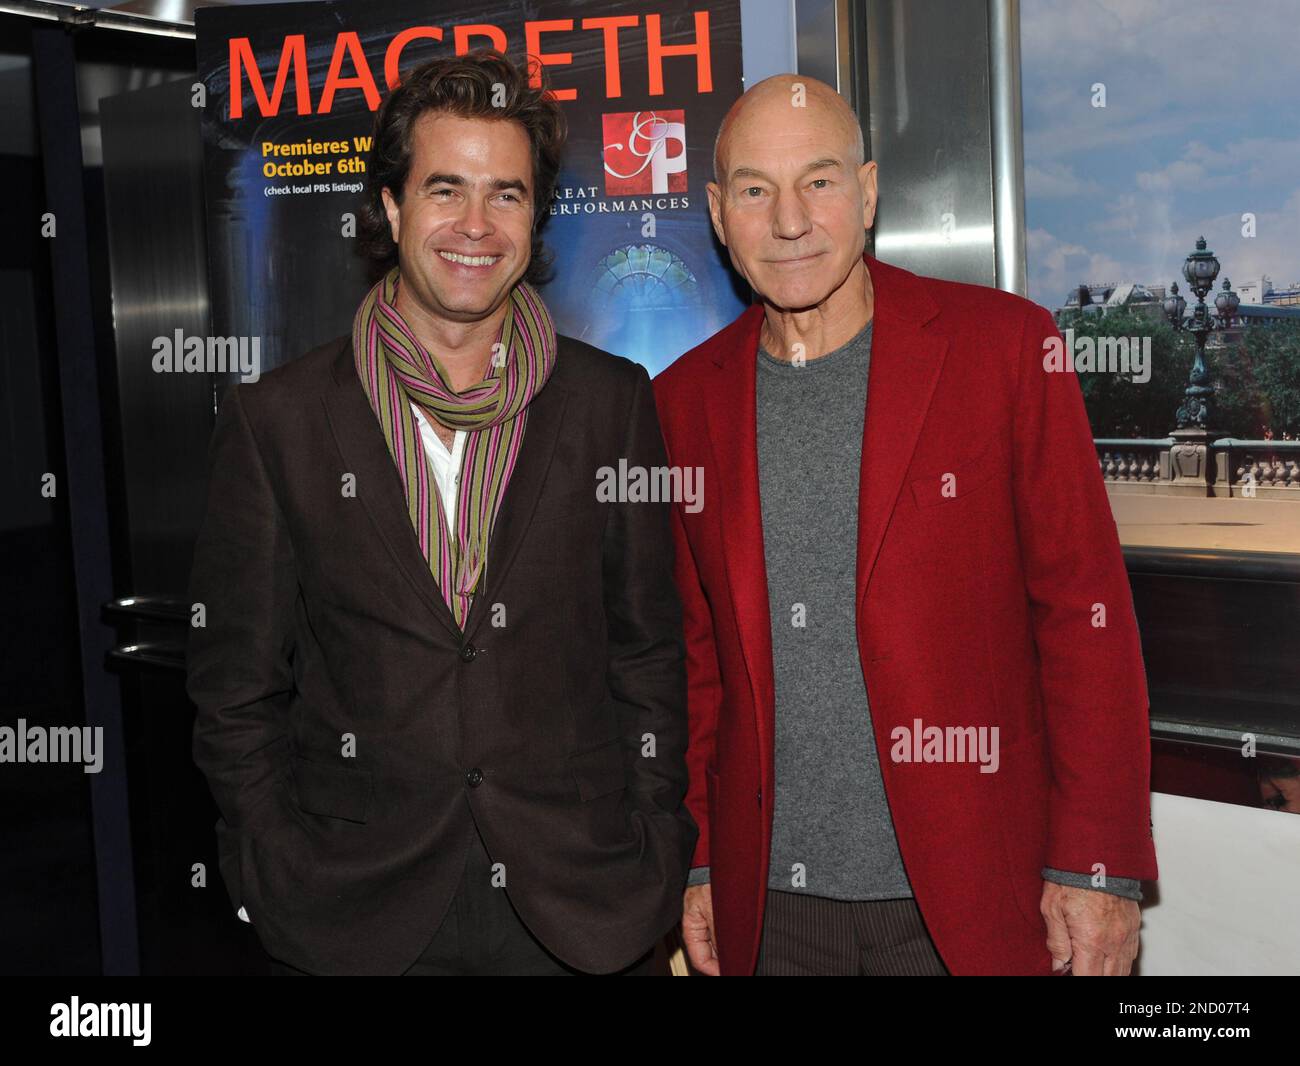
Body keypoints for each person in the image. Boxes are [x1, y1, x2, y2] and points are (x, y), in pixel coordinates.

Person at [186, 50, 695, 976]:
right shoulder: (280, 421)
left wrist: (656, 842)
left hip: (578, 904)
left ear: (536, 215)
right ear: (390, 206)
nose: (475, 225)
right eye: (445, 188)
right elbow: (234, 688)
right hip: (355, 907)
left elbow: (648, 651)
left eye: (506, 194)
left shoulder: (610, 403)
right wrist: (275, 858)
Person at [652, 74, 1157, 976]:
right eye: (756, 190)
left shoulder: (1005, 348)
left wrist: (1098, 865)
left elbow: (1086, 622)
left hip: (974, 895)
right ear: (719, 215)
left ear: (871, 191)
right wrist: (698, 855)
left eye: (821, 179)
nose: (791, 219)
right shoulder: (681, 402)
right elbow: (696, 660)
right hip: (768, 905)